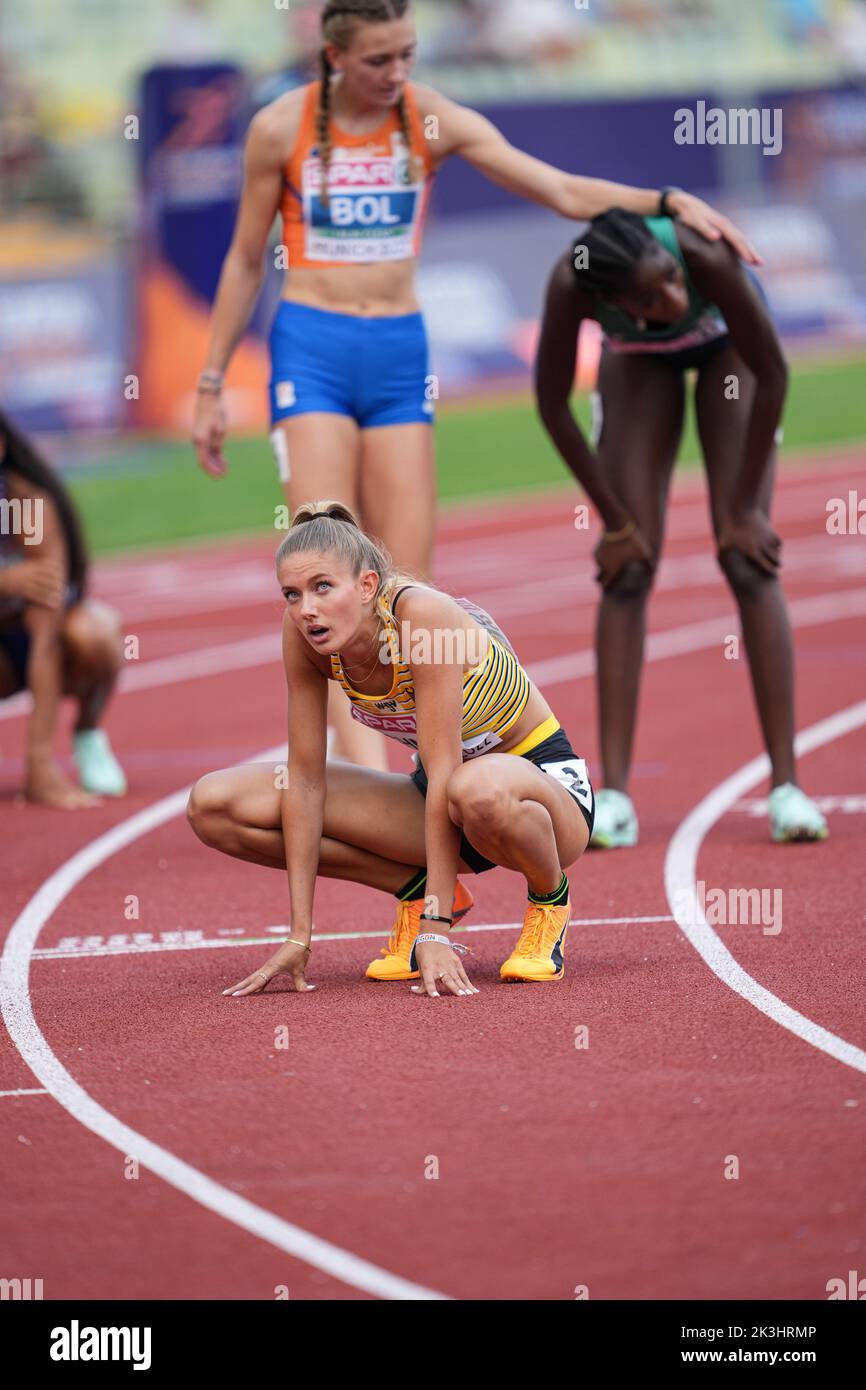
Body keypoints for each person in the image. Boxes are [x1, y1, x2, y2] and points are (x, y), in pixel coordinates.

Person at [191, 0, 758, 768]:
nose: (397, 75)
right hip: (310, 350)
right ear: (333, 56)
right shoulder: (278, 127)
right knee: (325, 572)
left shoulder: (429, 120)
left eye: (407, 56)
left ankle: (426, 760)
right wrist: (212, 381)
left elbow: (557, 190)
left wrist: (664, 202)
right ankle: (362, 774)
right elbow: (244, 260)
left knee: (405, 580)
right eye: (377, 61)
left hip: (397, 351)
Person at [187, 501, 596, 997]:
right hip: (442, 798)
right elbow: (306, 779)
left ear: (366, 586)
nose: (306, 609)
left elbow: (447, 771)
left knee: (476, 786)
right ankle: (414, 887)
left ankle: (549, 901)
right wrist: (300, 935)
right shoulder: (303, 633)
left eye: (322, 587)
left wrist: (435, 929)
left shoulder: (422, 617)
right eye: (292, 594)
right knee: (214, 805)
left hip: (544, 795)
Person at [534, 208, 828, 847]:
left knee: (747, 558)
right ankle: (612, 796)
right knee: (628, 568)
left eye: (670, 280)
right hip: (638, 361)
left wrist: (746, 508)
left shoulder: (706, 258)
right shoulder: (571, 283)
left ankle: (787, 787)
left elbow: (773, 372)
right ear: (608, 299)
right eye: (649, 295)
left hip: (731, 354)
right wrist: (615, 522)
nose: (671, 297)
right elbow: (551, 404)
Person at [0, 412, 126, 808]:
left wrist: (39, 768)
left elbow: (46, 636)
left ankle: (87, 733)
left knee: (95, 633)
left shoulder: (28, 504)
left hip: (41, 645)